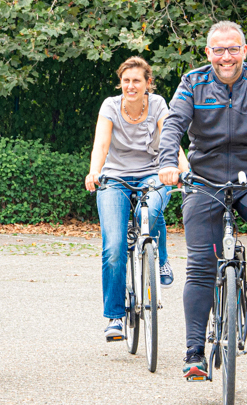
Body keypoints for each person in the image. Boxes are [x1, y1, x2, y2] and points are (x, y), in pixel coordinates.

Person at [157, 21, 247, 378]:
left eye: (233, 48)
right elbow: (173, 124)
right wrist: (166, 164)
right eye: (218, 49)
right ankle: (194, 352)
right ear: (208, 52)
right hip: (205, 181)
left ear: (244, 51)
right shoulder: (193, 82)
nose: (226, 56)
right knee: (200, 265)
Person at [85, 56, 188, 342]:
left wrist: (185, 171)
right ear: (121, 83)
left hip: (152, 173)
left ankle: (162, 258)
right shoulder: (110, 106)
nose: (130, 86)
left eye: (137, 81)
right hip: (115, 177)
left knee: (152, 209)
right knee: (114, 247)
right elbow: (102, 144)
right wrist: (94, 171)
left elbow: (170, 141)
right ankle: (114, 317)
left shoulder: (157, 105)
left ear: (148, 84)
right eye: (126, 80)